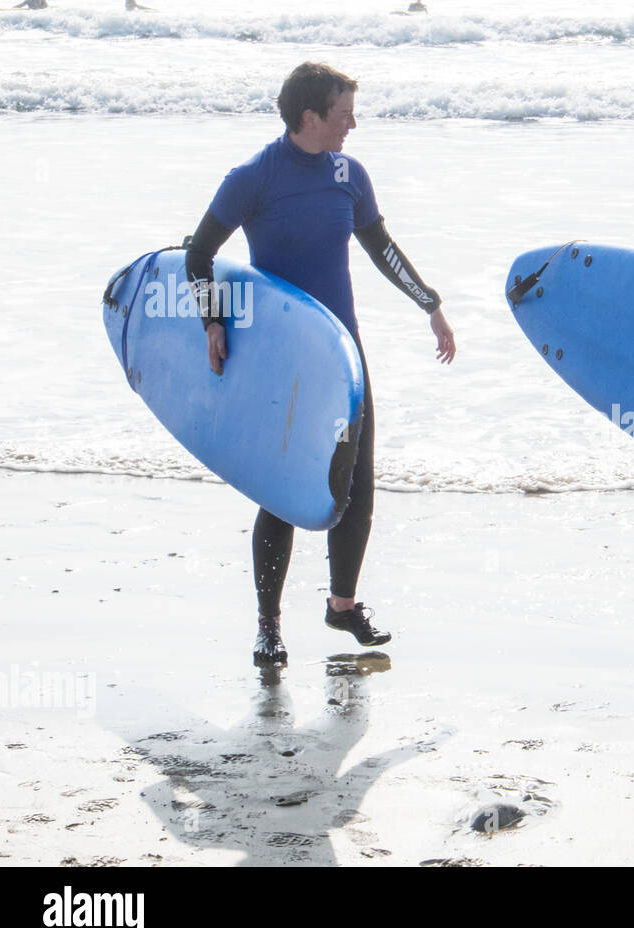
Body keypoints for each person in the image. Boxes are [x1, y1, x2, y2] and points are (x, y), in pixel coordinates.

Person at [185, 62, 457, 666]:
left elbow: (381, 247)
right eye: (343, 113)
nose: (352, 124)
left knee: (356, 478)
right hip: (284, 359)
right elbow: (199, 253)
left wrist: (429, 302)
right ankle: (268, 624)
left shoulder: (348, 175)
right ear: (310, 117)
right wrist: (212, 321)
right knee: (281, 489)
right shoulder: (254, 178)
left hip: (344, 354)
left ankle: (342, 606)